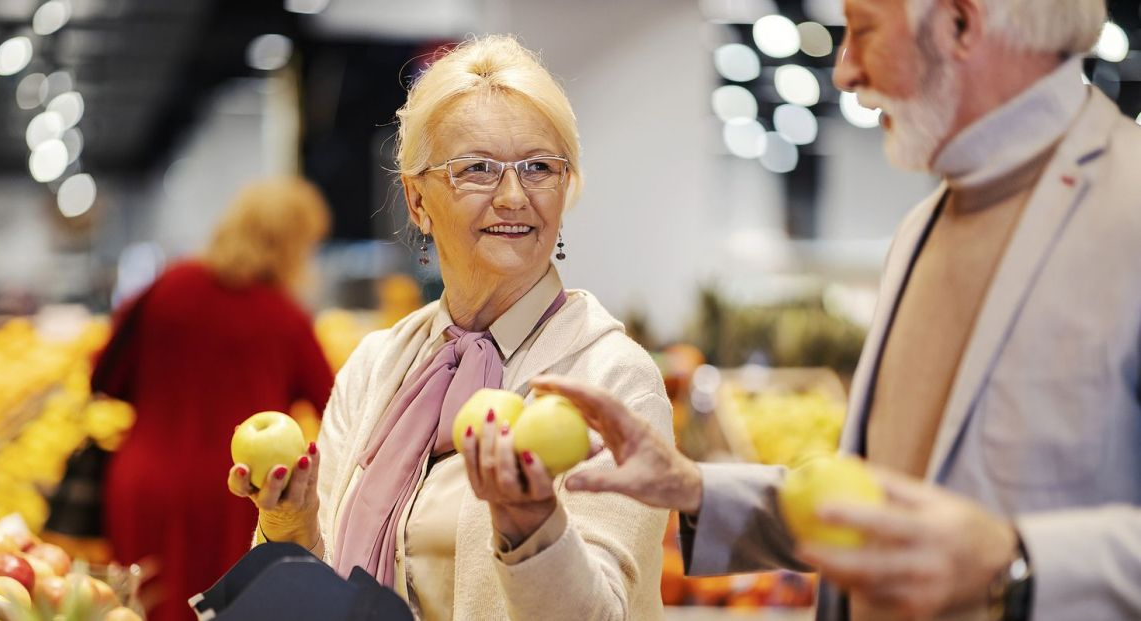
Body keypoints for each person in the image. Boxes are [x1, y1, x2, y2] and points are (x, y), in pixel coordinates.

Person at [533, 0, 1141, 619]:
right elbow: (879, 503)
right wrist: (694, 488)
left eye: (865, 31)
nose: (844, 72)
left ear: (960, 24)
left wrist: (1017, 567)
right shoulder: (922, 228)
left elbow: (988, 549)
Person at [227, 35, 673, 620]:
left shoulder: (613, 381)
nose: (514, 196)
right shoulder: (376, 367)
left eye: (539, 167)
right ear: (417, 201)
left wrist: (534, 527)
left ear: (565, 189)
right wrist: (290, 527)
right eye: (477, 170)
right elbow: (324, 599)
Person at [92, 177, 336, 621]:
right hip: (234, 496)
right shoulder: (284, 317)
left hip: (145, 482)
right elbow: (336, 407)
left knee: (137, 609)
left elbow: (105, 373)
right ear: (290, 246)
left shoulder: (168, 285)